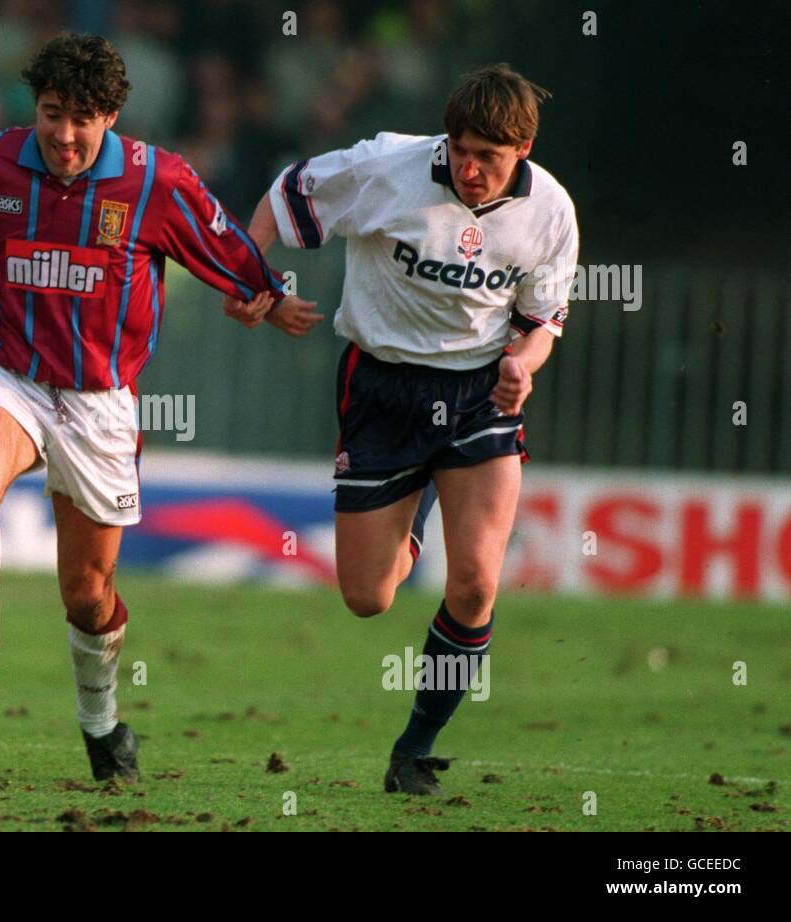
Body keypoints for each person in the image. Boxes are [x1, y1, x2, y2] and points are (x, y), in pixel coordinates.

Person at [0, 33, 319, 782]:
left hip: (101, 405)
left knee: (88, 598)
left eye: (82, 119)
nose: (64, 135)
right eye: (52, 113)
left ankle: (101, 725)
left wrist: (264, 292)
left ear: (112, 116)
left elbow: (220, 241)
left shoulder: (156, 179)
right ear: (35, 107)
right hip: (10, 374)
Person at [225, 64, 578, 795]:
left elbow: (542, 322)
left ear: (524, 148)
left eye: (488, 156)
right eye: (460, 150)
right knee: (369, 596)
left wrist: (523, 364)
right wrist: (250, 280)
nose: (470, 169)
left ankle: (414, 751)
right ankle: (417, 500)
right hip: (382, 389)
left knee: (475, 586)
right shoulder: (386, 166)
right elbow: (284, 196)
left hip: (480, 395)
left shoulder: (551, 210)